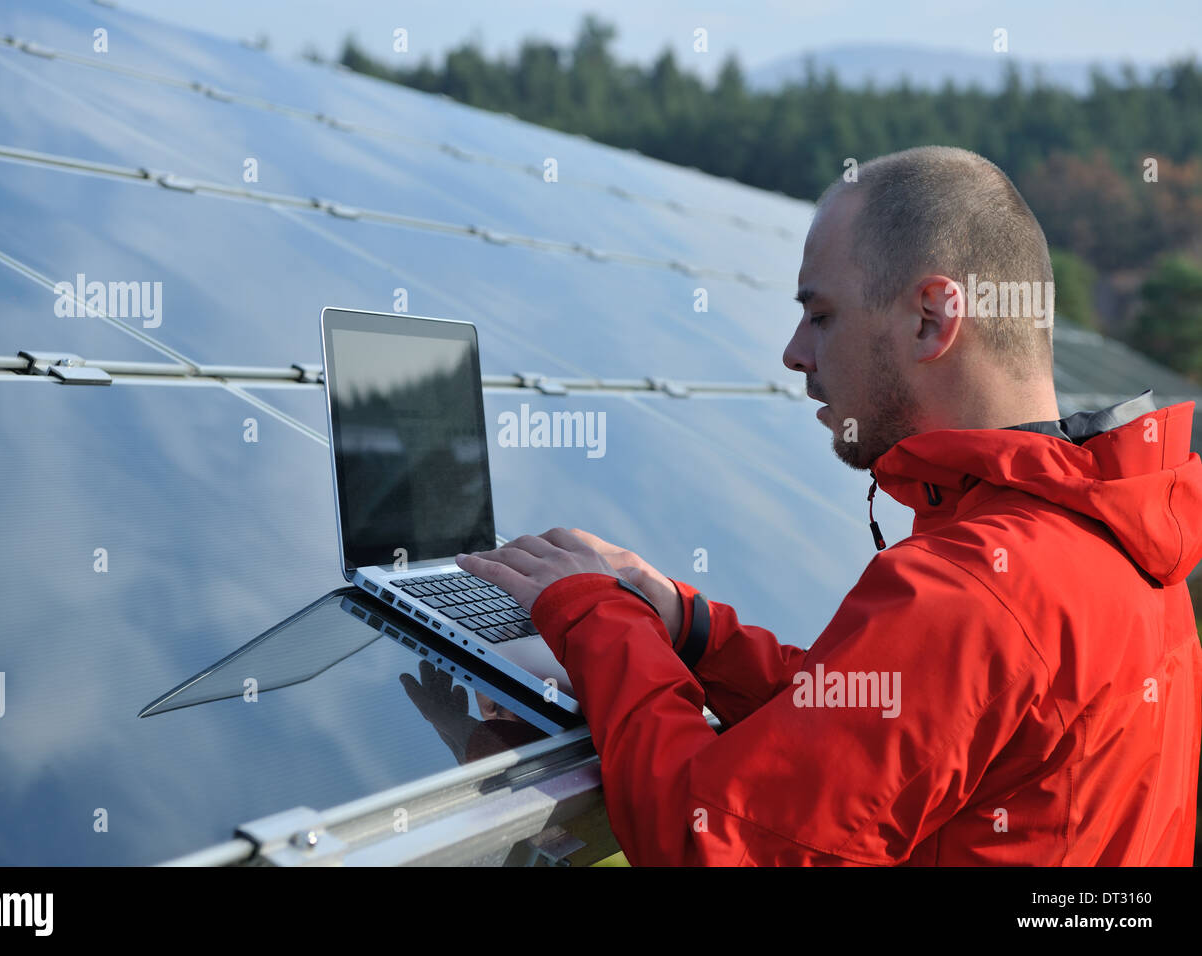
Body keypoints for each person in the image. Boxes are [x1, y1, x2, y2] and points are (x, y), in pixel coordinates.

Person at [456, 146, 1202, 865]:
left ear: (932, 321)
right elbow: (876, 738)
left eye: (821, 316)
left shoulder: (971, 590)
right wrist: (695, 634)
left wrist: (593, 615)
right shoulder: (1118, 540)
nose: (793, 353)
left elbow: (708, 846)